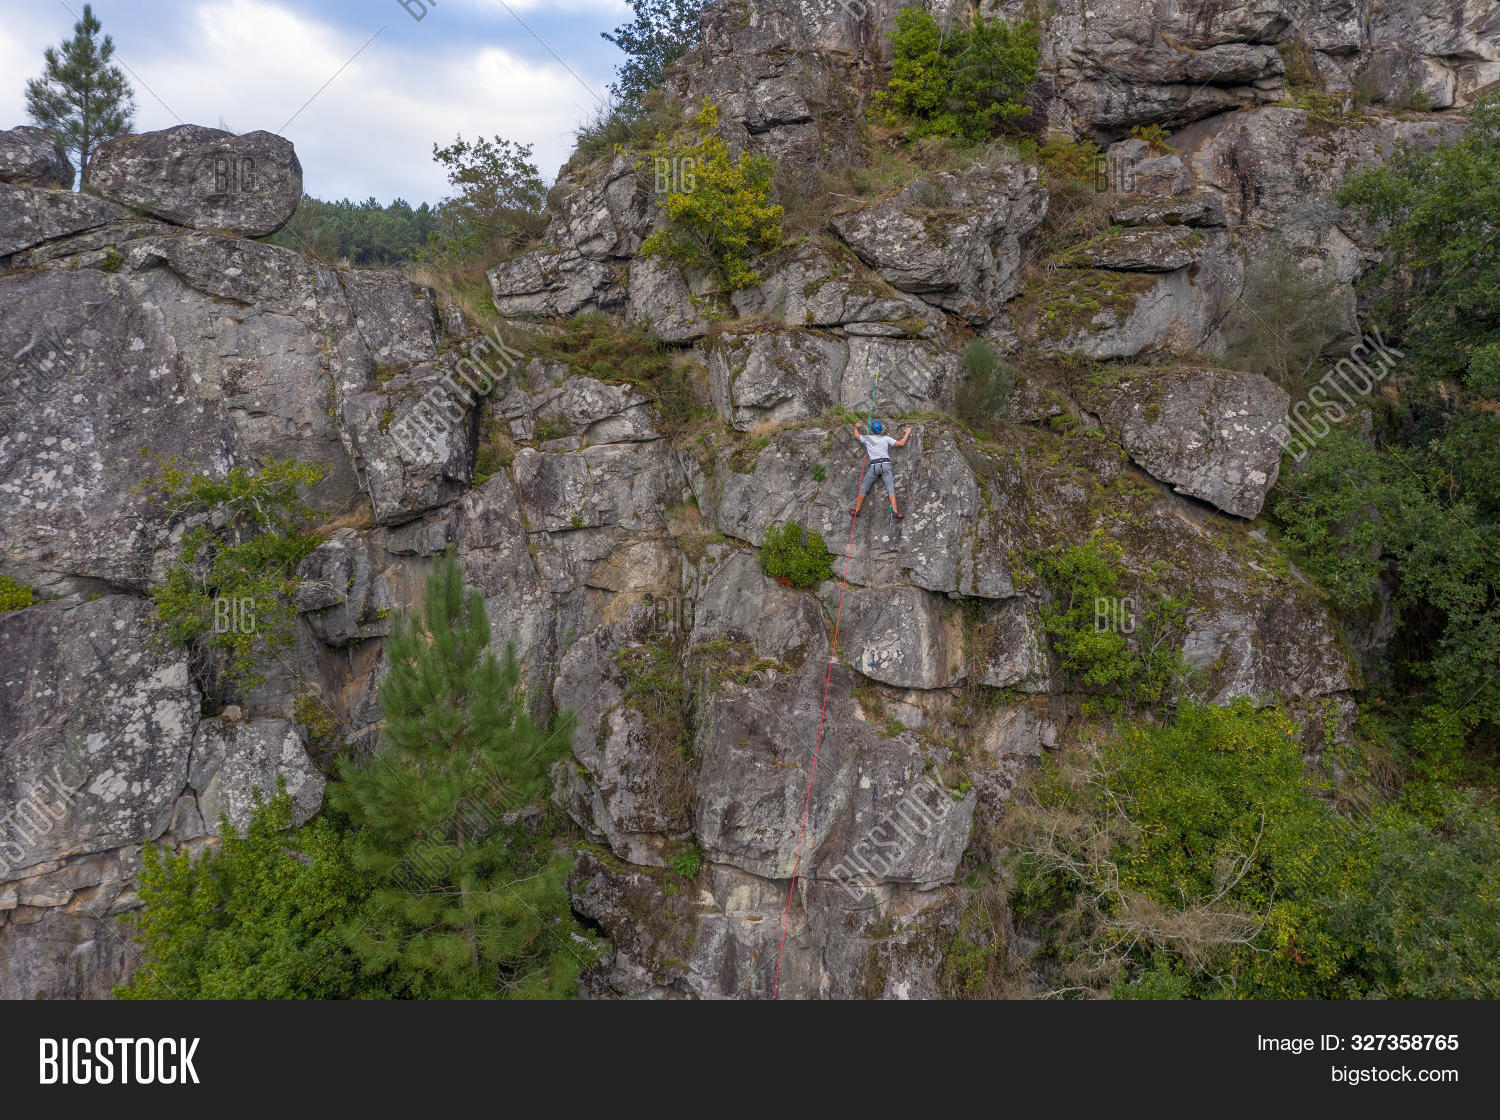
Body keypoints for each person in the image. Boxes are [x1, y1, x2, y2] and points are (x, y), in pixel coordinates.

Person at [851, 419, 913, 520]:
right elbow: (901, 443)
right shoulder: (885, 438)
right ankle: (895, 511)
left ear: (872, 430)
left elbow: (856, 435)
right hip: (885, 465)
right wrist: (907, 433)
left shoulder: (868, 438)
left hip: (874, 466)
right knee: (890, 489)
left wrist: (856, 427)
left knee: (863, 488)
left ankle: (857, 511)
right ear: (881, 430)